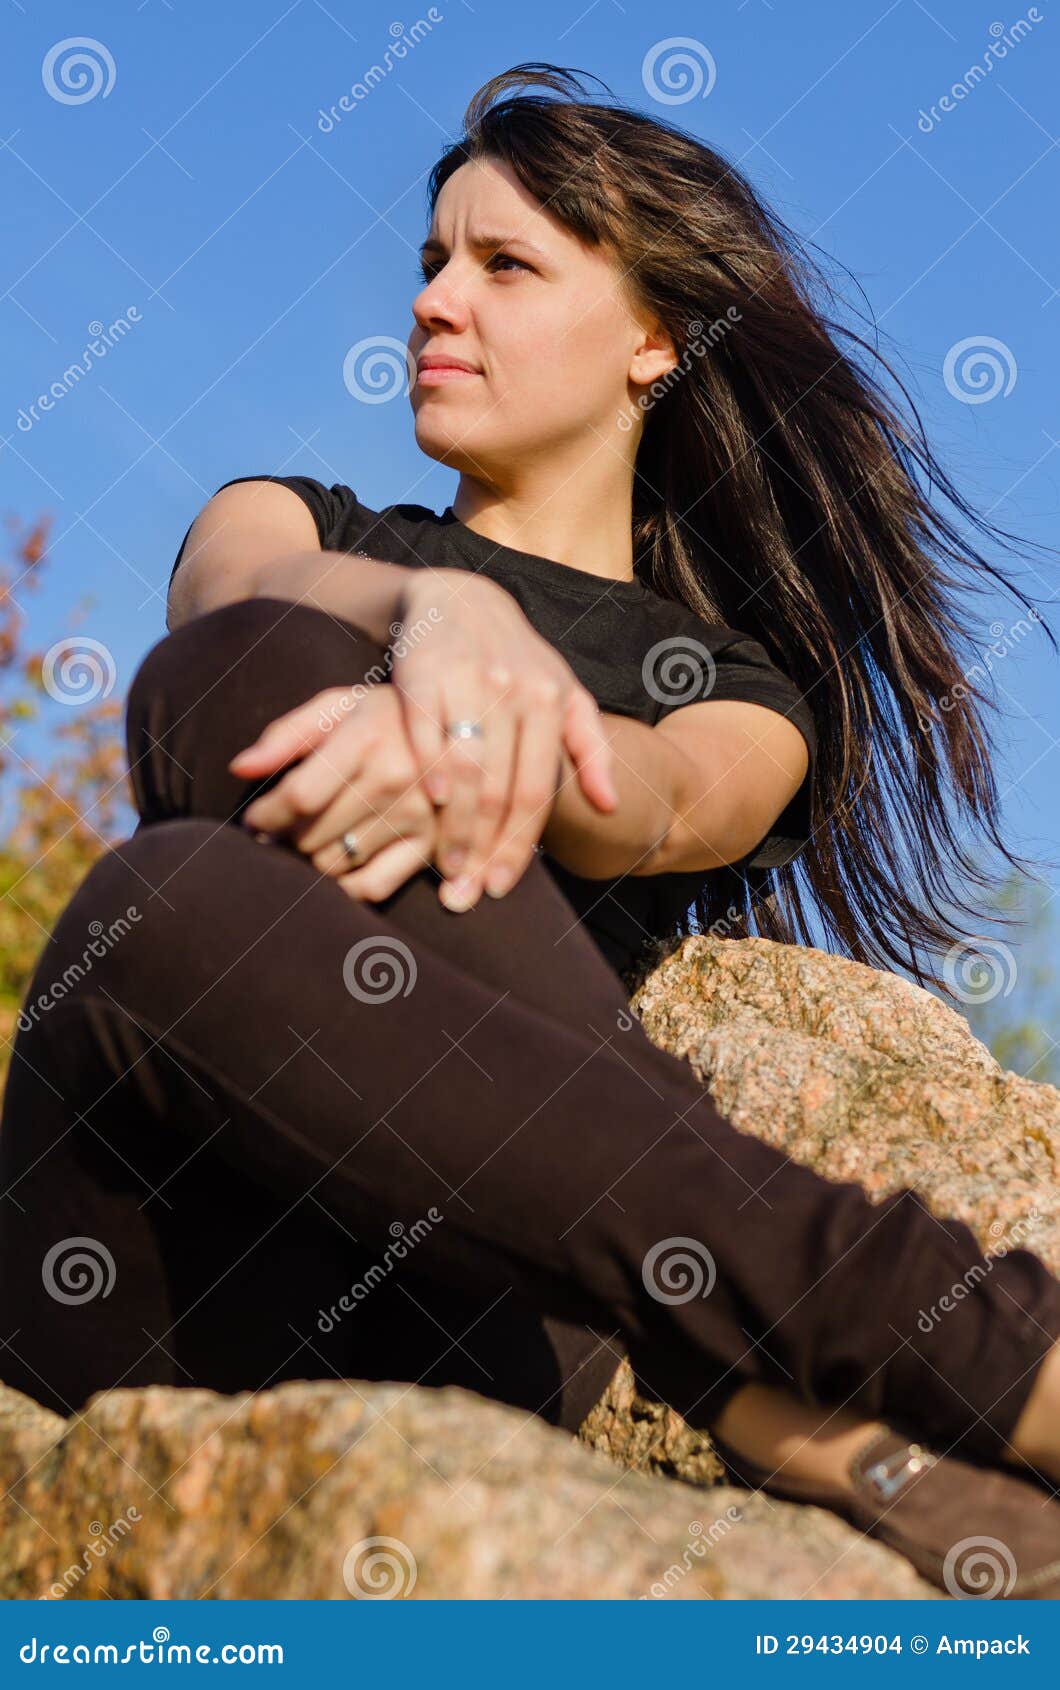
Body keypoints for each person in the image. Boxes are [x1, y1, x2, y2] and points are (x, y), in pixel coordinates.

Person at [2, 63, 1059, 1598]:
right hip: (157, 1261)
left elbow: (670, 803)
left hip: (481, 1286)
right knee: (232, 698)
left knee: (166, 896)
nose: (437, 299)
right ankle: (846, 1358)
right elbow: (219, 612)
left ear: (652, 338)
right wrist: (439, 613)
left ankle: (787, 1339)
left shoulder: (743, 689)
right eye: (432, 260)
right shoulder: (307, 525)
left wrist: (496, 750)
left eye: (505, 265)